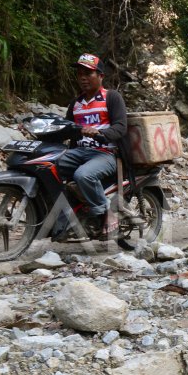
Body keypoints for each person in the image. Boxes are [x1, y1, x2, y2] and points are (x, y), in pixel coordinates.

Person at [60, 53, 128, 237]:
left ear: (101, 76)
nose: (82, 78)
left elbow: (121, 128)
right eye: (80, 74)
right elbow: (67, 129)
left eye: (88, 73)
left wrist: (99, 133)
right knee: (50, 166)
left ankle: (107, 213)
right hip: (79, 152)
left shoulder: (111, 97)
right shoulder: (76, 103)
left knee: (83, 175)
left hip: (105, 153)